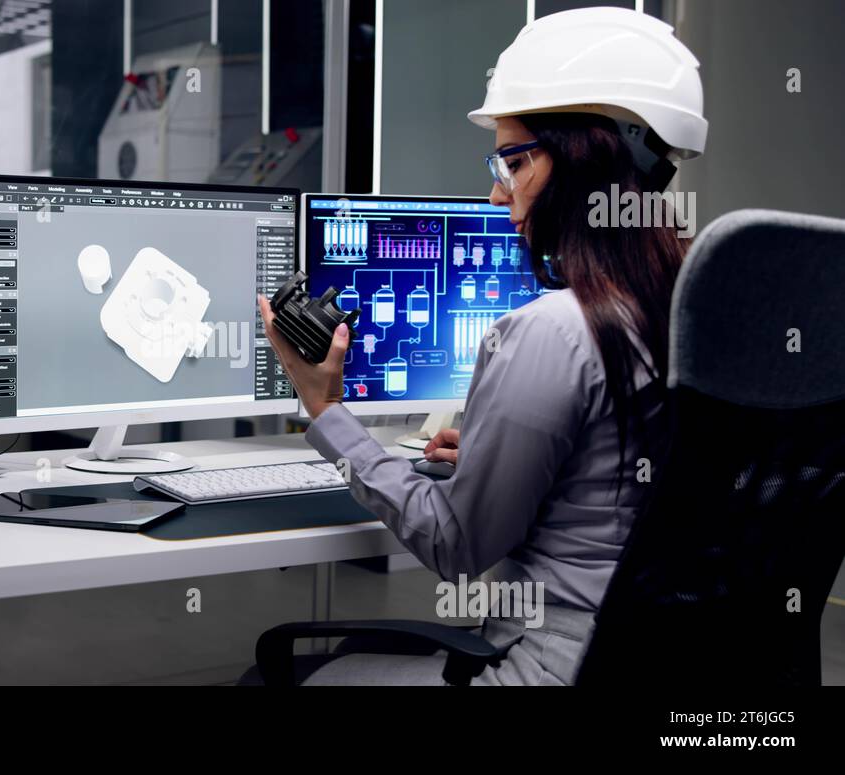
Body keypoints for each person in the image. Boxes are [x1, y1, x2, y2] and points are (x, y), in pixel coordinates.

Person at [257, 7, 708, 685]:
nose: (498, 193)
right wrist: (517, 459)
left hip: (552, 668)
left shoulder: (550, 330)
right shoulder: (686, 313)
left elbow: (457, 546)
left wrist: (325, 409)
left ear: (587, 162)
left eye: (514, 162)